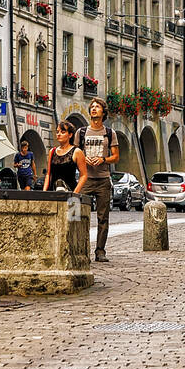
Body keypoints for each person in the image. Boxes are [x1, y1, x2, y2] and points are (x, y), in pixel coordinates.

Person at [74, 98, 119, 263]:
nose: (94, 109)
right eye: (92, 107)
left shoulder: (109, 133)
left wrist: (103, 159)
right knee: (77, 214)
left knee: (103, 218)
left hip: (103, 180)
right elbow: (75, 153)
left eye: (97, 107)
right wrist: (83, 159)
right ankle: (80, 249)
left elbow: (116, 157)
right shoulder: (81, 132)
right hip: (85, 179)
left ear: (103, 112)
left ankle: (100, 251)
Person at [43, 122, 81, 193]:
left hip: (70, 190)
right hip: (53, 191)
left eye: (63, 132)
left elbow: (84, 175)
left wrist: (75, 193)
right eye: (57, 132)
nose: (59, 134)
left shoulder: (76, 151)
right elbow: (48, 174)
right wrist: (44, 191)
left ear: (70, 135)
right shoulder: (52, 151)